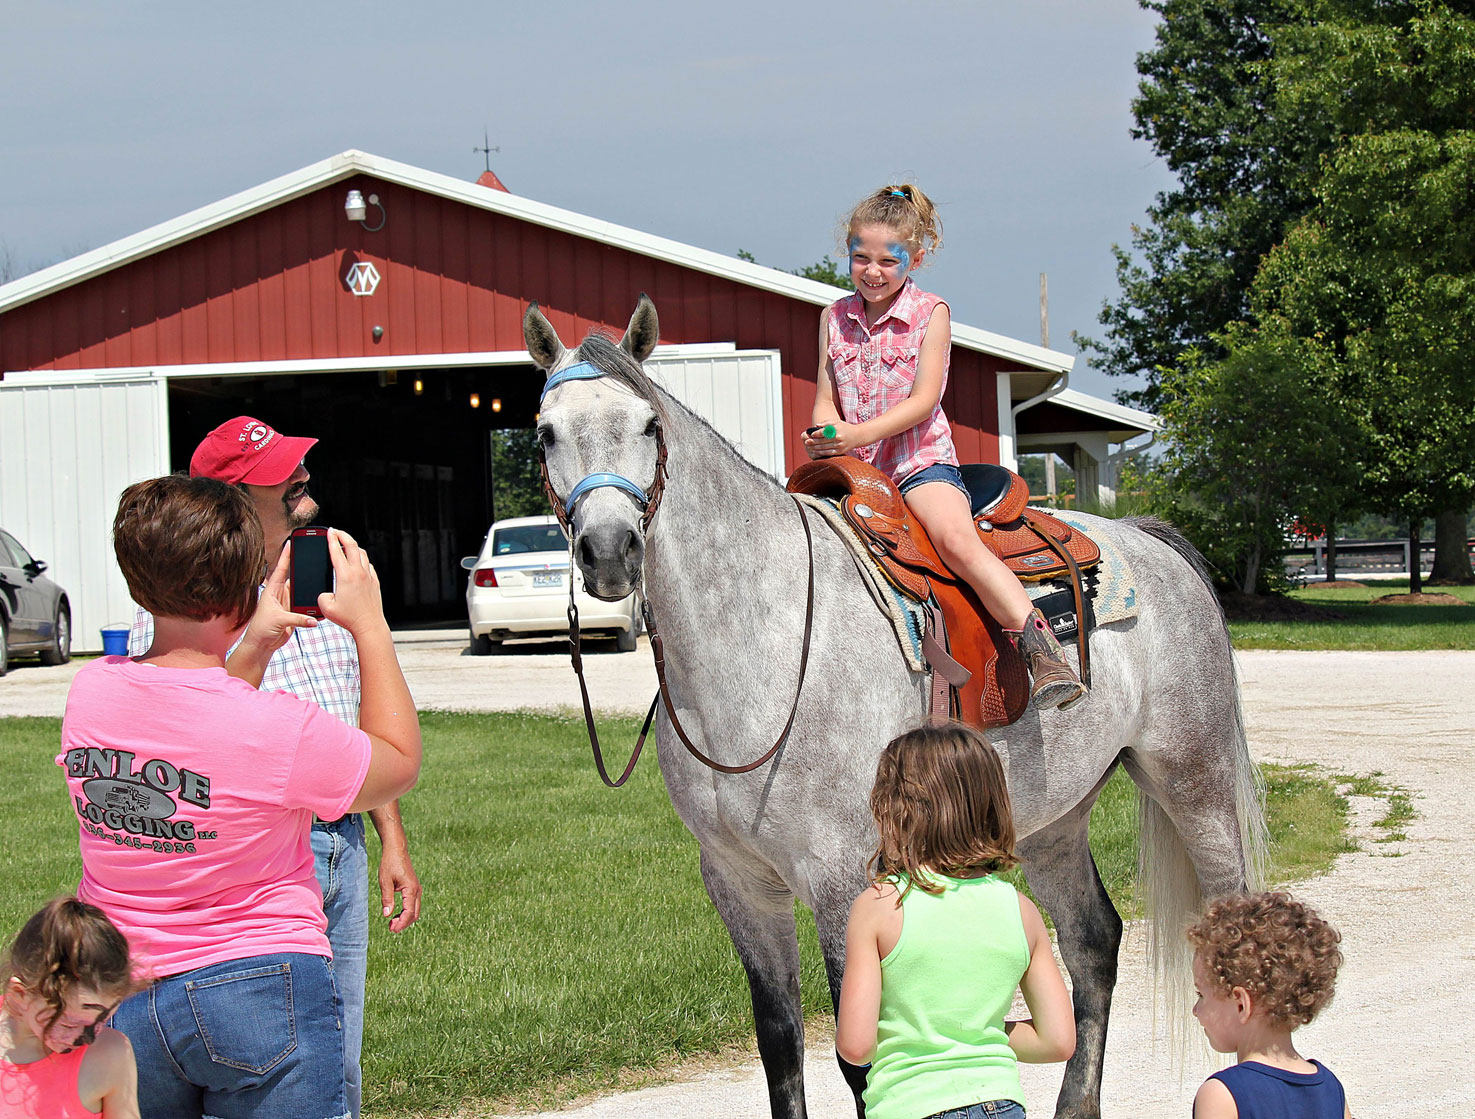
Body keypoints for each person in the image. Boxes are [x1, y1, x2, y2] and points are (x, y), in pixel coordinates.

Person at [62, 474, 421, 1117]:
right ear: (243, 581)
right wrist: (372, 628)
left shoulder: (92, 693)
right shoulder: (276, 728)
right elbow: (396, 765)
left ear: (135, 577)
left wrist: (252, 642)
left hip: (122, 992)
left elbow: (199, 723)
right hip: (257, 988)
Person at [805, 185, 1086, 709]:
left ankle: (1039, 644)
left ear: (918, 256)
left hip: (917, 464)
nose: (873, 271)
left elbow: (923, 399)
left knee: (956, 540)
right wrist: (826, 435)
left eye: (889, 260)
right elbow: (825, 399)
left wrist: (858, 434)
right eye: (860, 257)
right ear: (847, 250)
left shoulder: (930, 312)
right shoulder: (832, 317)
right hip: (853, 469)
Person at [836, 722, 1075, 1119]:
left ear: (896, 811)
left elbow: (856, 1045)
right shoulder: (1021, 910)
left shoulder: (879, 906)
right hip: (1002, 1105)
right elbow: (1058, 1041)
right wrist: (980, 1036)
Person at [1187, 892, 1352, 1119]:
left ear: (1241, 1005)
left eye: (1201, 994)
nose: (1195, 1010)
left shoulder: (1223, 1094)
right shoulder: (1331, 1090)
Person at [1, 898, 140, 1119]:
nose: (87, 1039)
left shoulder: (108, 1054)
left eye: (102, 1021)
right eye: (68, 1023)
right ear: (20, 994)